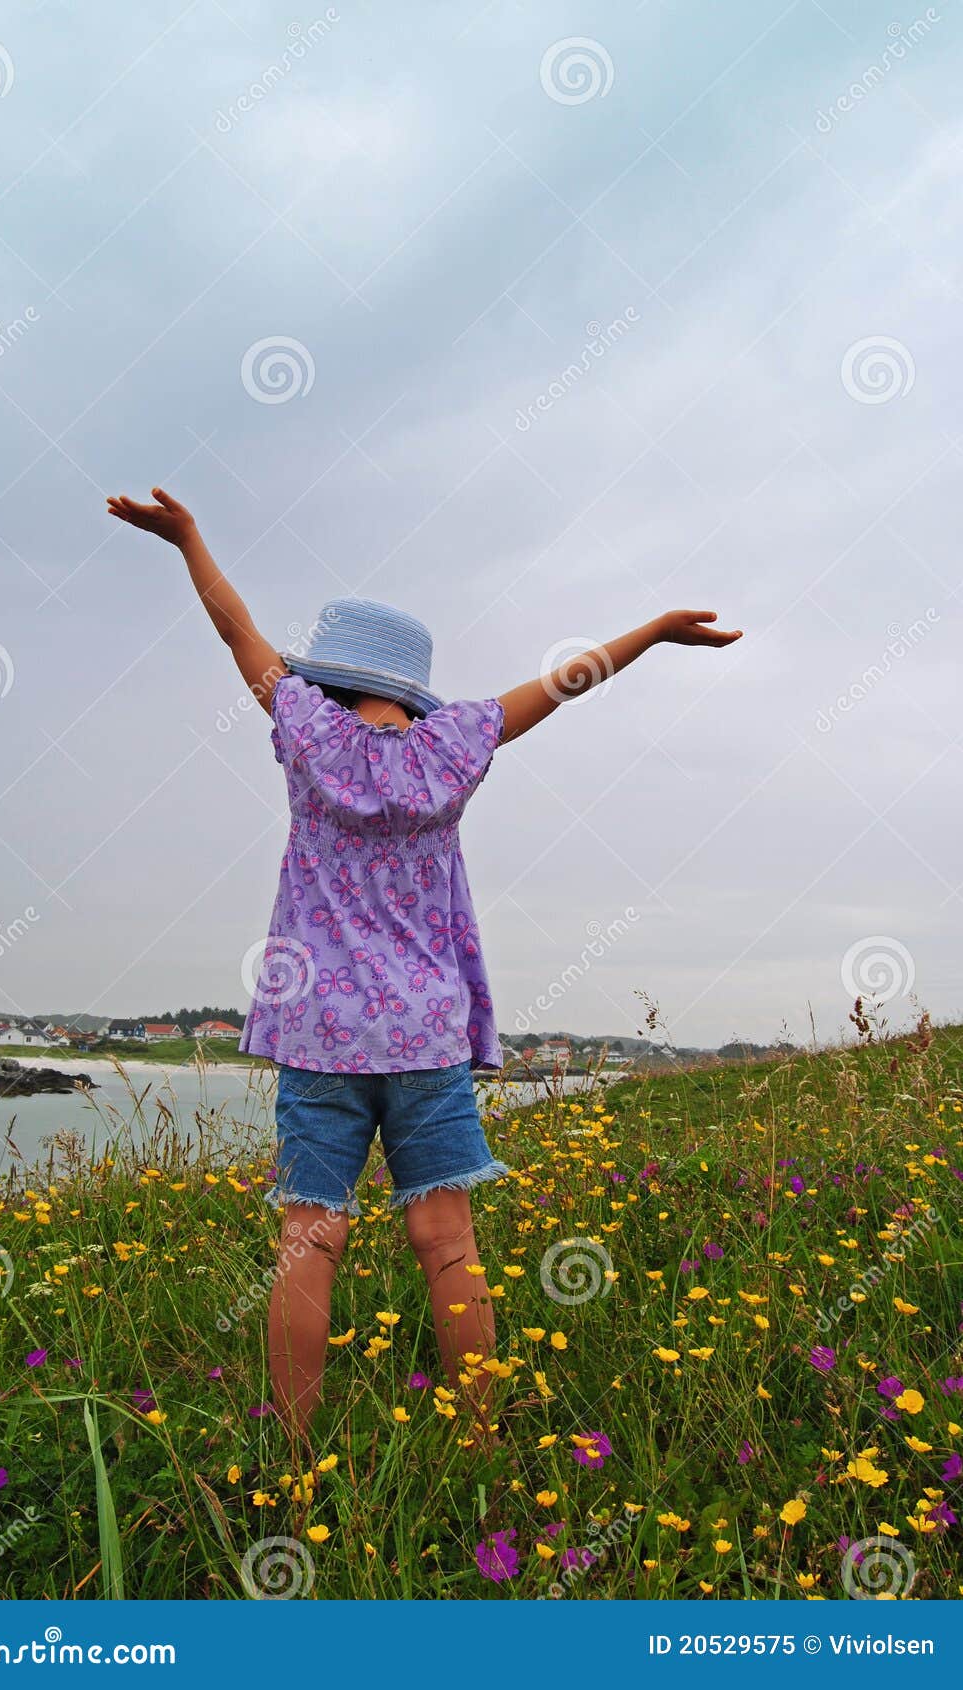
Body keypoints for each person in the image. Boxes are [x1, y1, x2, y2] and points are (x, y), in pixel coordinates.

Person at [107, 486, 742, 1444]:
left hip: (321, 1034)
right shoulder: (455, 745)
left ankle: (294, 1450)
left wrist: (189, 538)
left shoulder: (304, 731)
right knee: (447, 1237)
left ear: (327, 677)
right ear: (408, 687)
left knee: (307, 1239)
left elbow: (231, 625)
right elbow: (567, 682)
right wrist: (651, 631)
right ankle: (481, 1439)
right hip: (425, 1034)